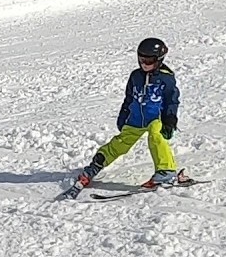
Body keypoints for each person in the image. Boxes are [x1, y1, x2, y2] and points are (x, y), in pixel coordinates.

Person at [74, 37, 190, 190]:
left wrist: (170, 119)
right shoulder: (135, 76)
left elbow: (172, 100)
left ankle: (166, 171)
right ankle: (96, 165)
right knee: (120, 143)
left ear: (159, 60)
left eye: (148, 61)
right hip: (135, 118)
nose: (144, 64)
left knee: (156, 136)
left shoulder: (166, 78)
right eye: (141, 60)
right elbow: (129, 98)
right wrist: (124, 115)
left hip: (156, 118)